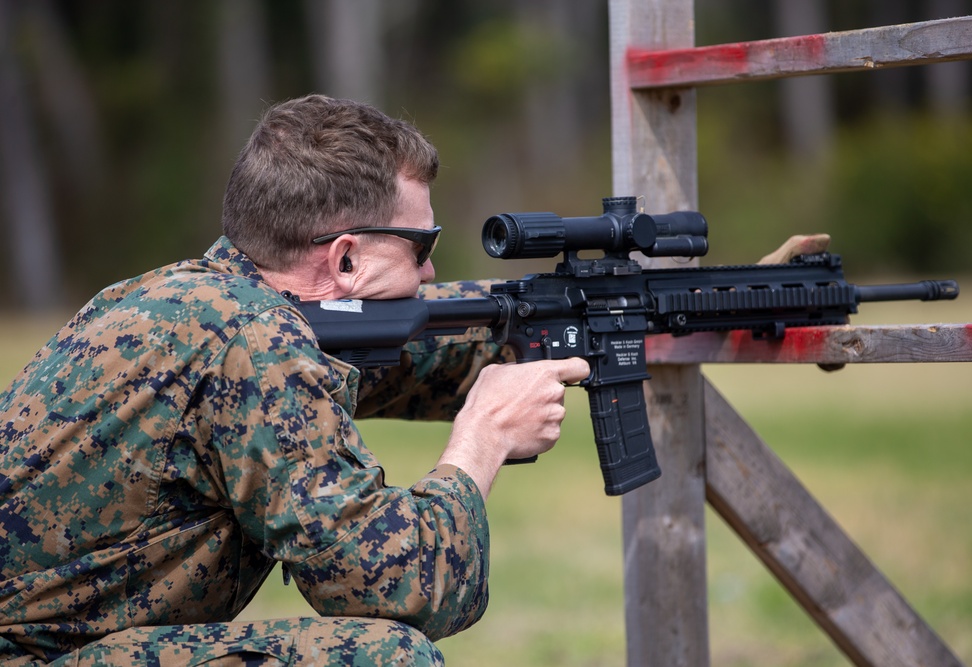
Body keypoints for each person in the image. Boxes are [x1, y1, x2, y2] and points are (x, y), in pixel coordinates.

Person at [0, 94, 589, 666]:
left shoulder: (175, 299)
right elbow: (401, 586)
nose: (432, 270)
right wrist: (484, 436)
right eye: (422, 246)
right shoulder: (257, 343)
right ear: (346, 260)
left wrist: (556, 318)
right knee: (385, 658)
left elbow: (401, 356)